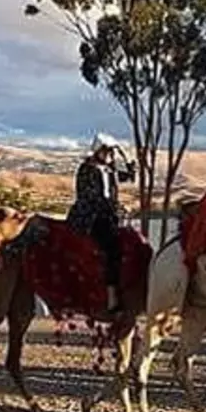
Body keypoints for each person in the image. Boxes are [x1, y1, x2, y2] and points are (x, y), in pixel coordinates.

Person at [66, 133, 134, 313]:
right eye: (106, 151)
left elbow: (128, 177)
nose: (109, 155)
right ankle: (111, 294)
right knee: (112, 248)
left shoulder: (109, 170)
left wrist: (127, 160)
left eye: (111, 152)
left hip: (108, 214)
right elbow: (91, 197)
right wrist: (112, 207)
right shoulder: (87, 169)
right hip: (90, 216)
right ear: (98, 151)